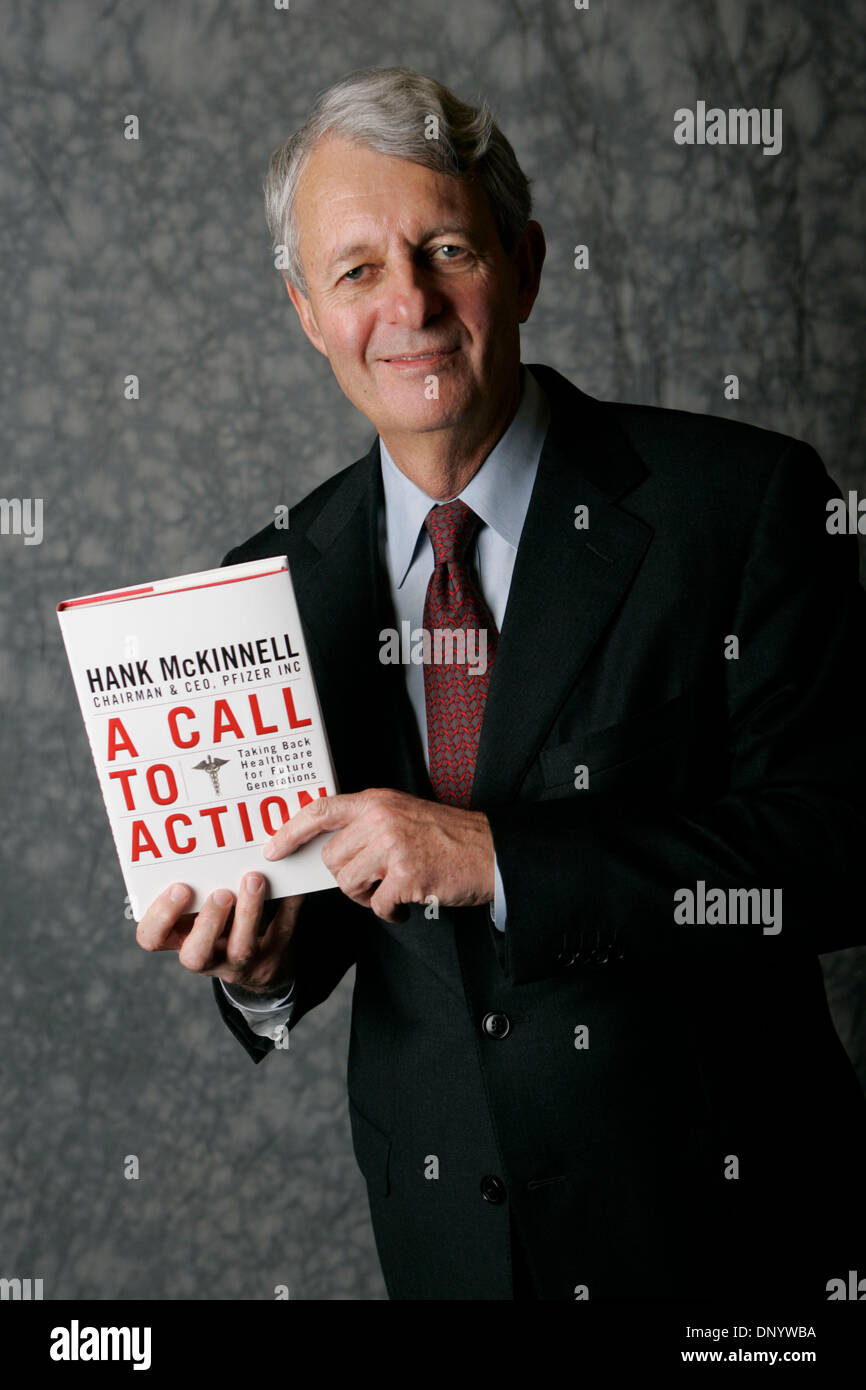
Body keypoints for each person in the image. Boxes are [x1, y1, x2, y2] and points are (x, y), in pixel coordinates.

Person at [136, 66, 866, 1301]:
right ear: (305, 309)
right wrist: (259, 973)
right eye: (356, 269)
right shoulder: (264, 591)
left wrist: (496, 855)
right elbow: (321, 919)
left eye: (446, 247)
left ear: (523, 264)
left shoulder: (734, 508)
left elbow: (838, 844)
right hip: (448, 1246)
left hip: (732, 1242)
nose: (408, 302)